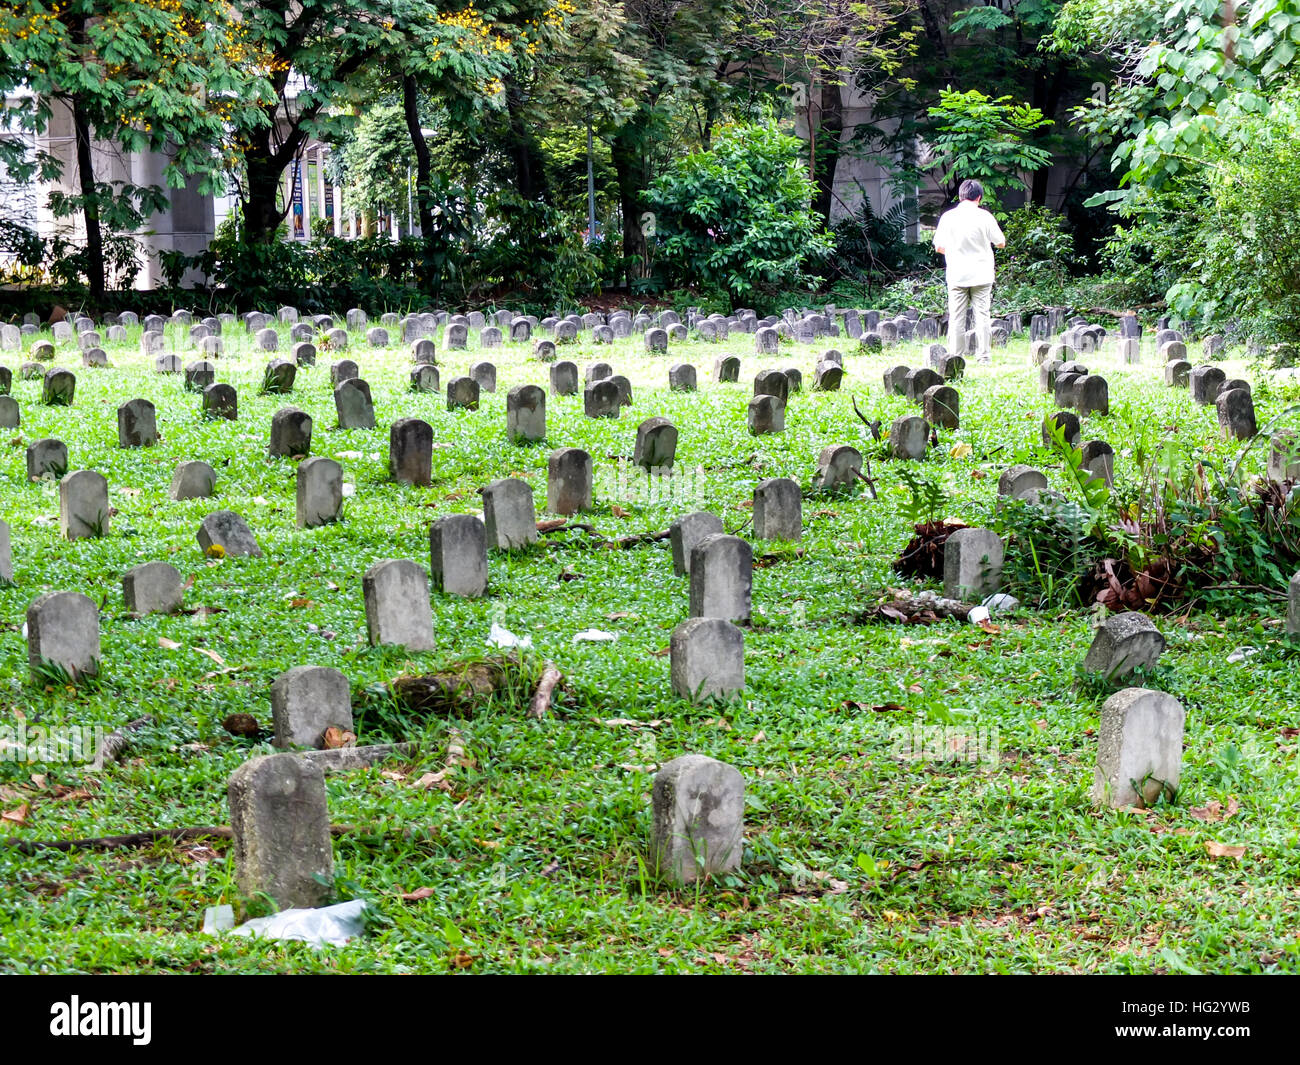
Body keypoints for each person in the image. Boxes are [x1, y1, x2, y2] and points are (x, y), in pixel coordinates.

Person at [932, 179, 1006, 364]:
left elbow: (939, 247)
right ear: (979, 197)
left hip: (957, 275)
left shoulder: (948, 217)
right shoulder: (985, 217)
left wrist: (956, 251)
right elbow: (1001, 243)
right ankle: (984, 357)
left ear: (960, 196)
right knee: (982, 316)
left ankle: (956, 358)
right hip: (982, 274)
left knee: (957, 318)